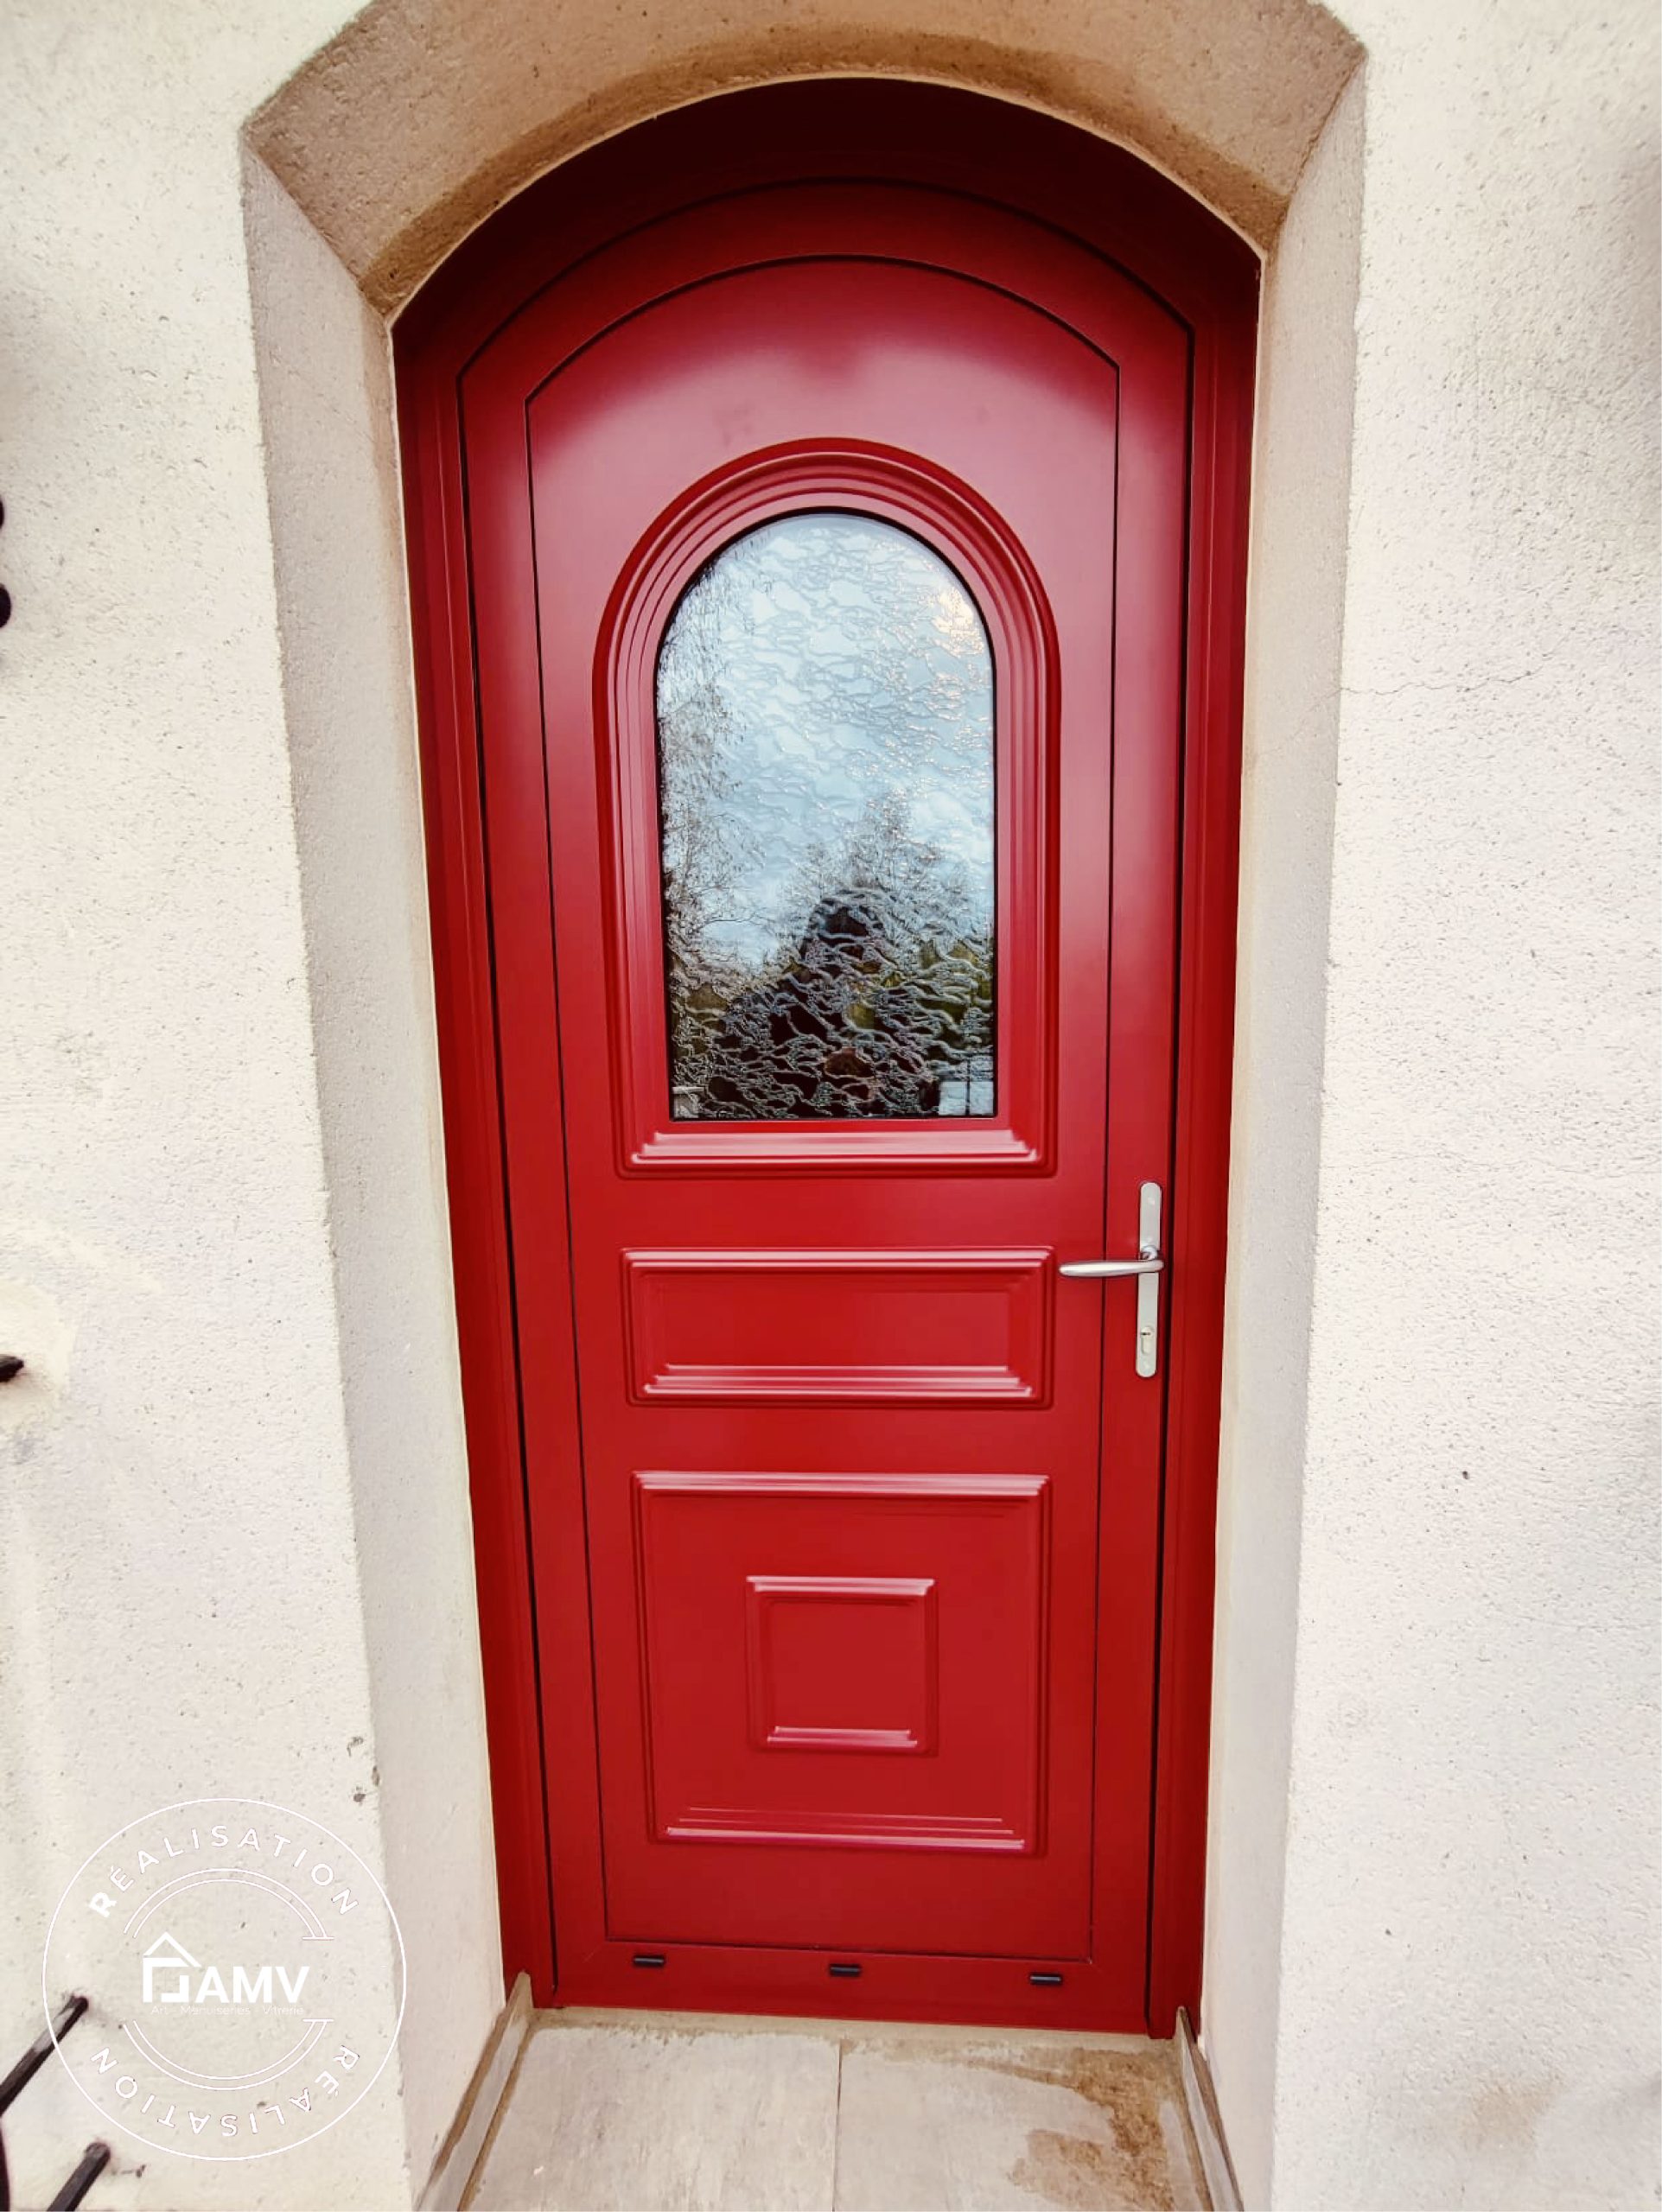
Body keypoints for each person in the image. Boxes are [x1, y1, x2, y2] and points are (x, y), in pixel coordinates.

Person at [697, 892, 943, 1120]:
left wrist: (909, 1076)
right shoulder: (755, 1013)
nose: (861, 984)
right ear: (819, 954)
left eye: (871, 971)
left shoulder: (855, 1031)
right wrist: (821, 1074)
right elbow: (726, 1112)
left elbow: (907, 1116)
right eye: (858, 964)